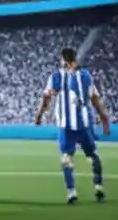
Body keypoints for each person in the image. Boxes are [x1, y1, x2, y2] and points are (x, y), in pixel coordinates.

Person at [34, 47, 111, 204]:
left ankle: (71, 192)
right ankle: (98, 187)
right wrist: (104, 121)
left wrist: (39, 115)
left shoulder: (56, 76)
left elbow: (46, 98)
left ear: (63, 59)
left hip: (66, 127)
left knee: (66, 158)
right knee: (94, 155)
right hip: (84, 126)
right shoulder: (86, 76)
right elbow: (95, 100)